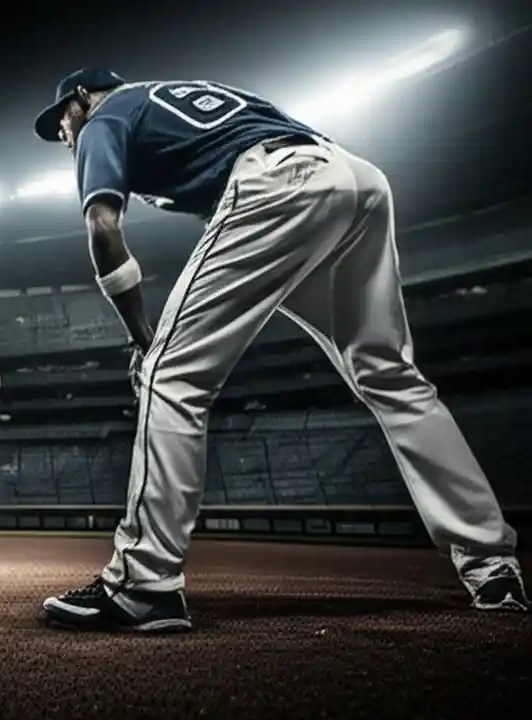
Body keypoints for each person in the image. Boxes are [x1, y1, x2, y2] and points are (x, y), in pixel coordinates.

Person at [31, 68, 528, 632]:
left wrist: (140, 336)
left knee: (168, 374)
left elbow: (102, 227)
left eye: (61, 120)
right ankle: (490, 562)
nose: (62, 133)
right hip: (353, 179)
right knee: (390, 375)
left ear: (81, 98)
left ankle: (143, 584)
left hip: (276, 184)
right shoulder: (167, 96)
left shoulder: (105, 116)